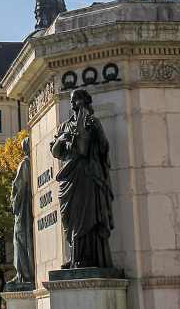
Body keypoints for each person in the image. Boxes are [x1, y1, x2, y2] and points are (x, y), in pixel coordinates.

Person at [50, 89, 114, 269]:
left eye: (76, 100)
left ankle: (86, 257)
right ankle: (74, 254)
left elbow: (103, 147)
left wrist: (90, 131)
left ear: (85, 102)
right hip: (68, 177)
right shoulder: (64, 126)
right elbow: (56, 152)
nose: (73, 104)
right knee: (69, 219)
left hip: (86, 175)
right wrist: (62, 139)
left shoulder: (93, 122)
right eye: (72, 101)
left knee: (85, 217)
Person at [9, 137, 35, 285]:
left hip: (22, 209)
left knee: (20, 237)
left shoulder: (25, 163)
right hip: (27, 207)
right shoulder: (32, 162)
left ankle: (23, 274)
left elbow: (19, 187)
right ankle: (23, 273)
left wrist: (14, 204)